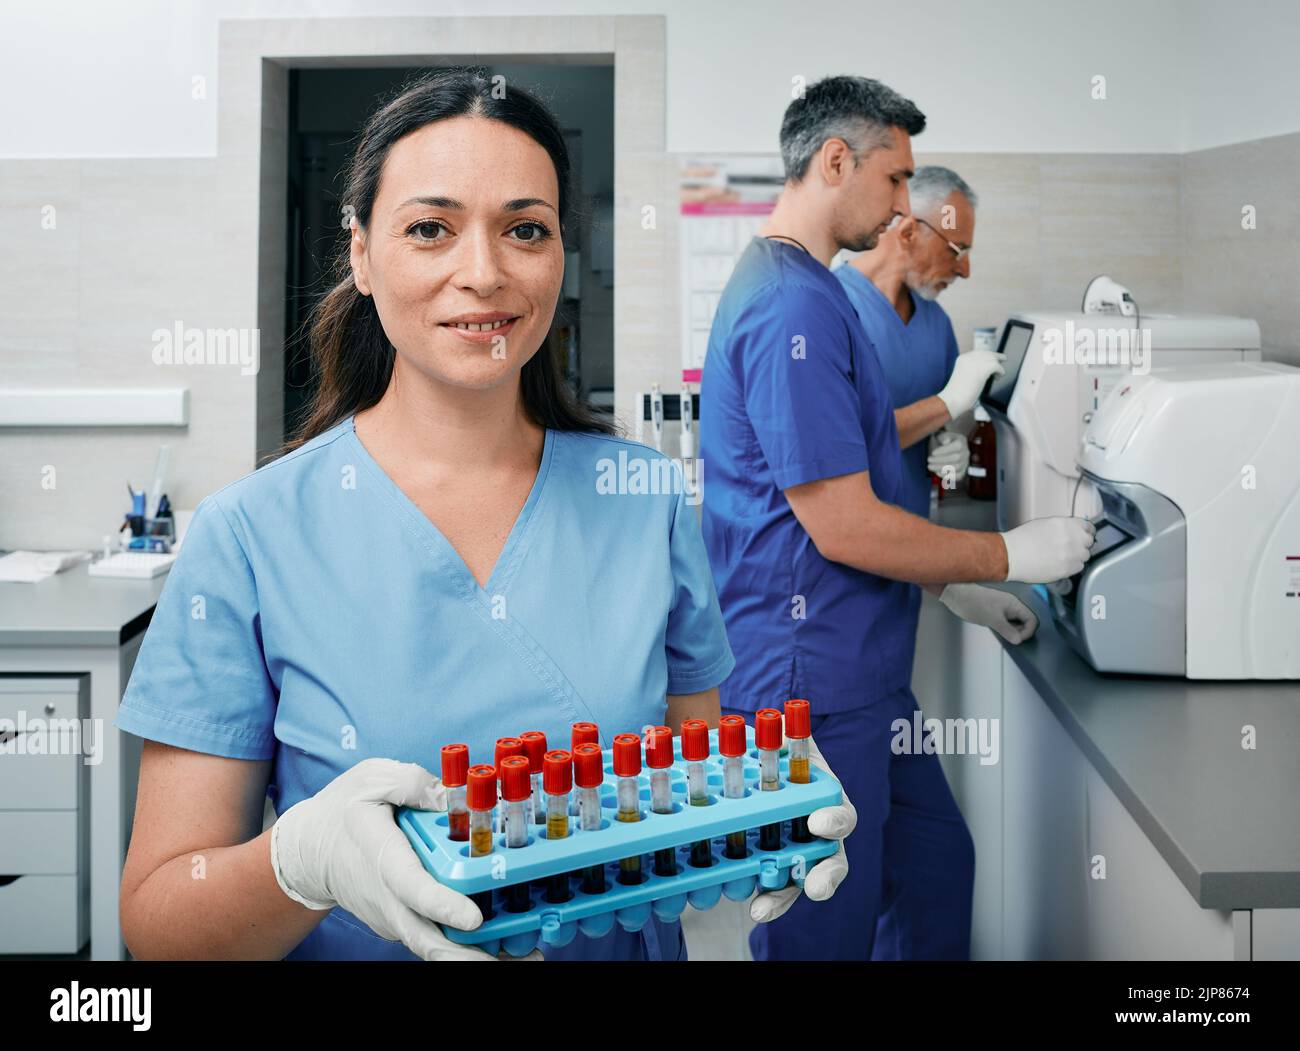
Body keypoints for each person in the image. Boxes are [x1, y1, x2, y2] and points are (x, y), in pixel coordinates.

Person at [113, 68, 853, 962]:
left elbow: (696, 791)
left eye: (525, 230)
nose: (484, 272)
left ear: (559, 256)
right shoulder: (250, 535)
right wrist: (297, 864)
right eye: (430, 228)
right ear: (360, 252)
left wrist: (765, 827)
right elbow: (160, 922)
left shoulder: (644, 500)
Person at [699, 75, 1096, 960]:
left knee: (933, 866)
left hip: (863, 670)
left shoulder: (816, 291)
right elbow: (842, 526)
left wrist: (953, 582)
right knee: (822, 927)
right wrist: (1005, 552)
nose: (903, 205)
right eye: (893, 179)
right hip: (810, 684)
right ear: (835, 160)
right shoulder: (789, 303)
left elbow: (865, 473)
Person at [835, 164, 989, 517]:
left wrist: (950, 455)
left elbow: (946, 428)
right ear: (907, 233)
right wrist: (944, 405)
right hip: (846, 553)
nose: (965, 270)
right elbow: (846, 443)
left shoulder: (936, 323)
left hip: (915, 547)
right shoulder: (830, 310)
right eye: (956, 250)